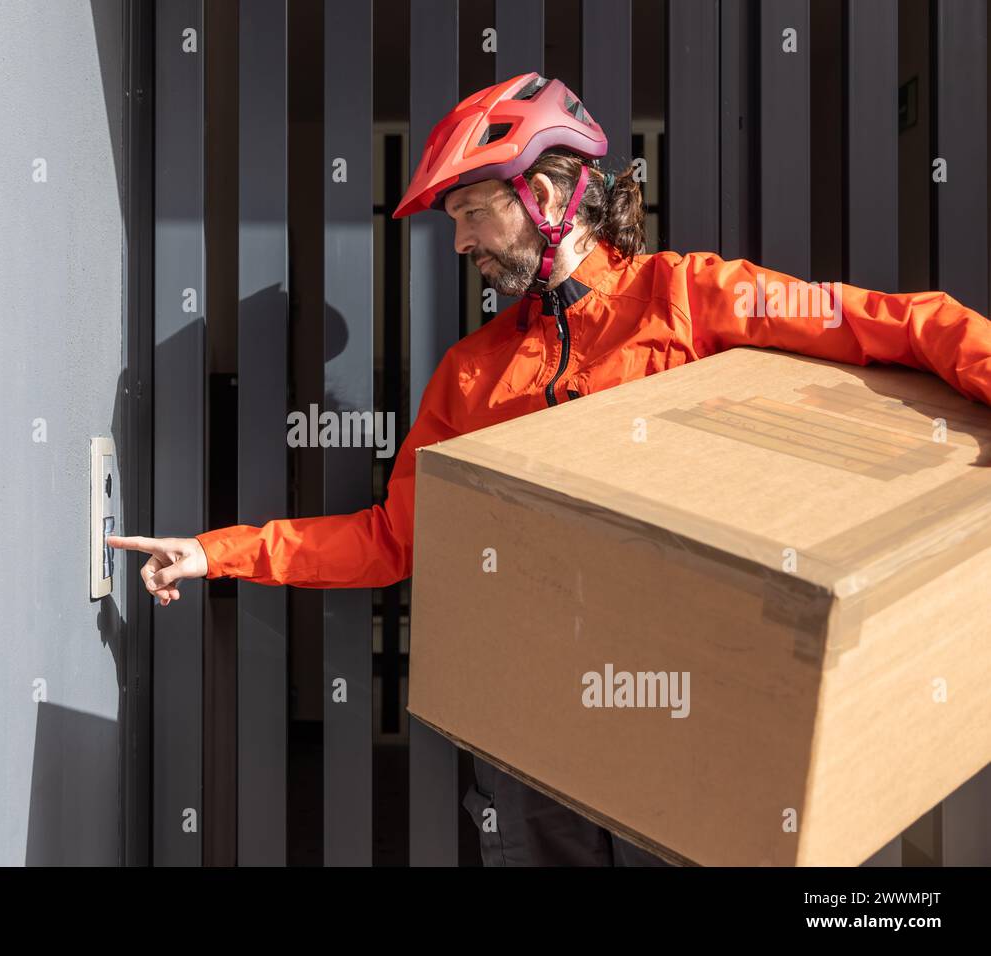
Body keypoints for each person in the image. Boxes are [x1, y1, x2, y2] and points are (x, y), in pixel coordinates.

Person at [108, 72, 991, 866]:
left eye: (470, 212)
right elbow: (390, 540)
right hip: (532, 724)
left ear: (544, 193)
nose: (458, 243)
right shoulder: (470, 371)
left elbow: (899, 320)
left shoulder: (689, 295)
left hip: (685, 701)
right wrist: (216, 551)